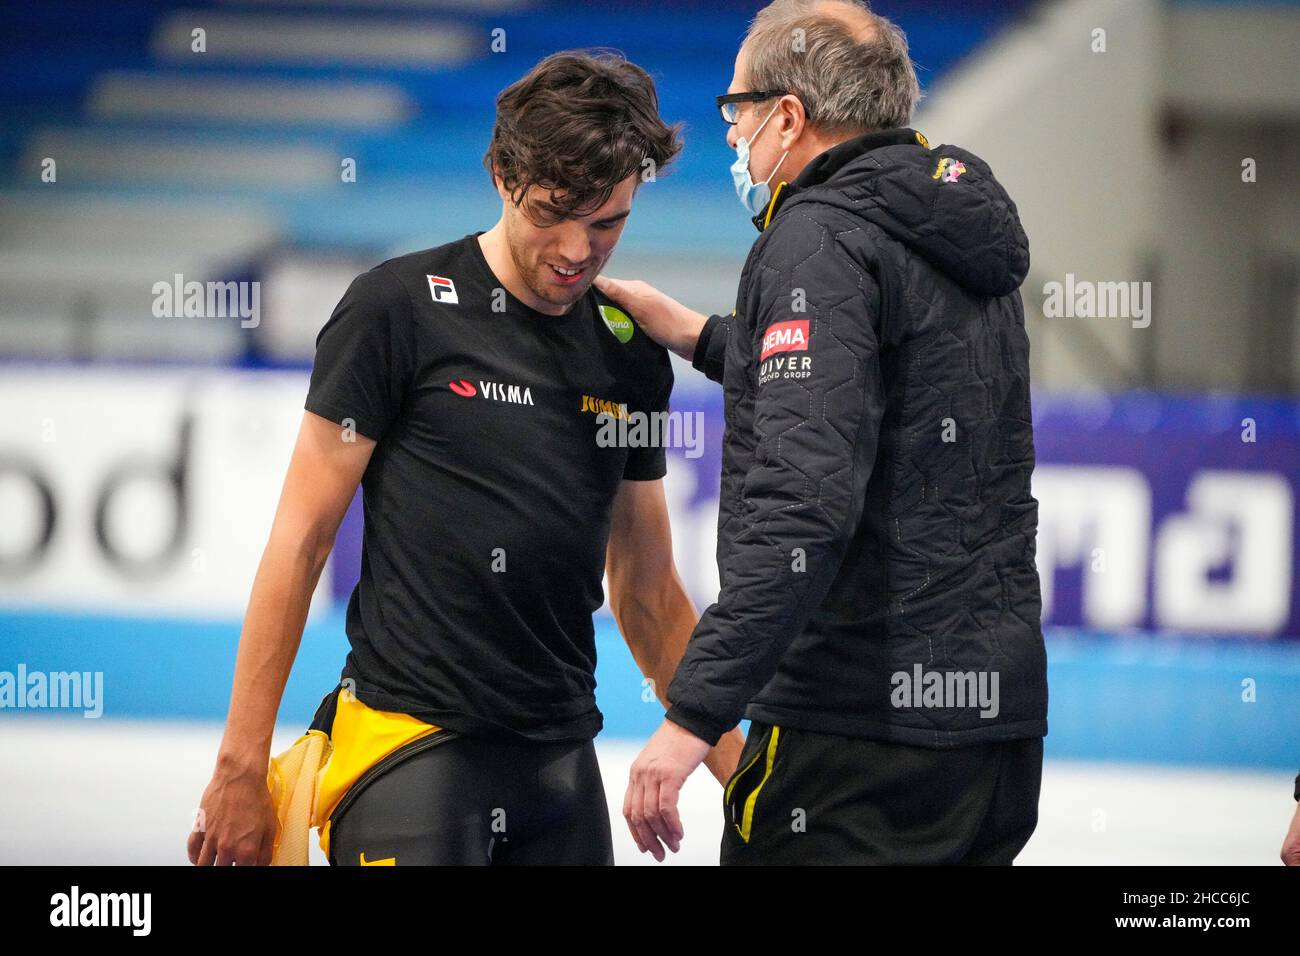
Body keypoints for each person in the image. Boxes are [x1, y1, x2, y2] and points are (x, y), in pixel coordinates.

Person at [188, 50, 743, 867]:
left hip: (560, 768)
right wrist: (238, 765)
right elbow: (300, 542)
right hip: (408, 752)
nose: (575, 250)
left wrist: (747, 778)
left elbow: (649, 591)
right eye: (553, 212)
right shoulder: (396, 310)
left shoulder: (627, 353)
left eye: (607, 223)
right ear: (502, 176)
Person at [600, 0, 1048, 865]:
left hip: (854, 737)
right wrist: (705, 337)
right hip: (993, 735)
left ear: (788, 117)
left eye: (737, 114)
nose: (734, 139)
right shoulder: (956, 224)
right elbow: (893, 386)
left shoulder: (817, 238)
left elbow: (804, 506)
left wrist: (694, 712)